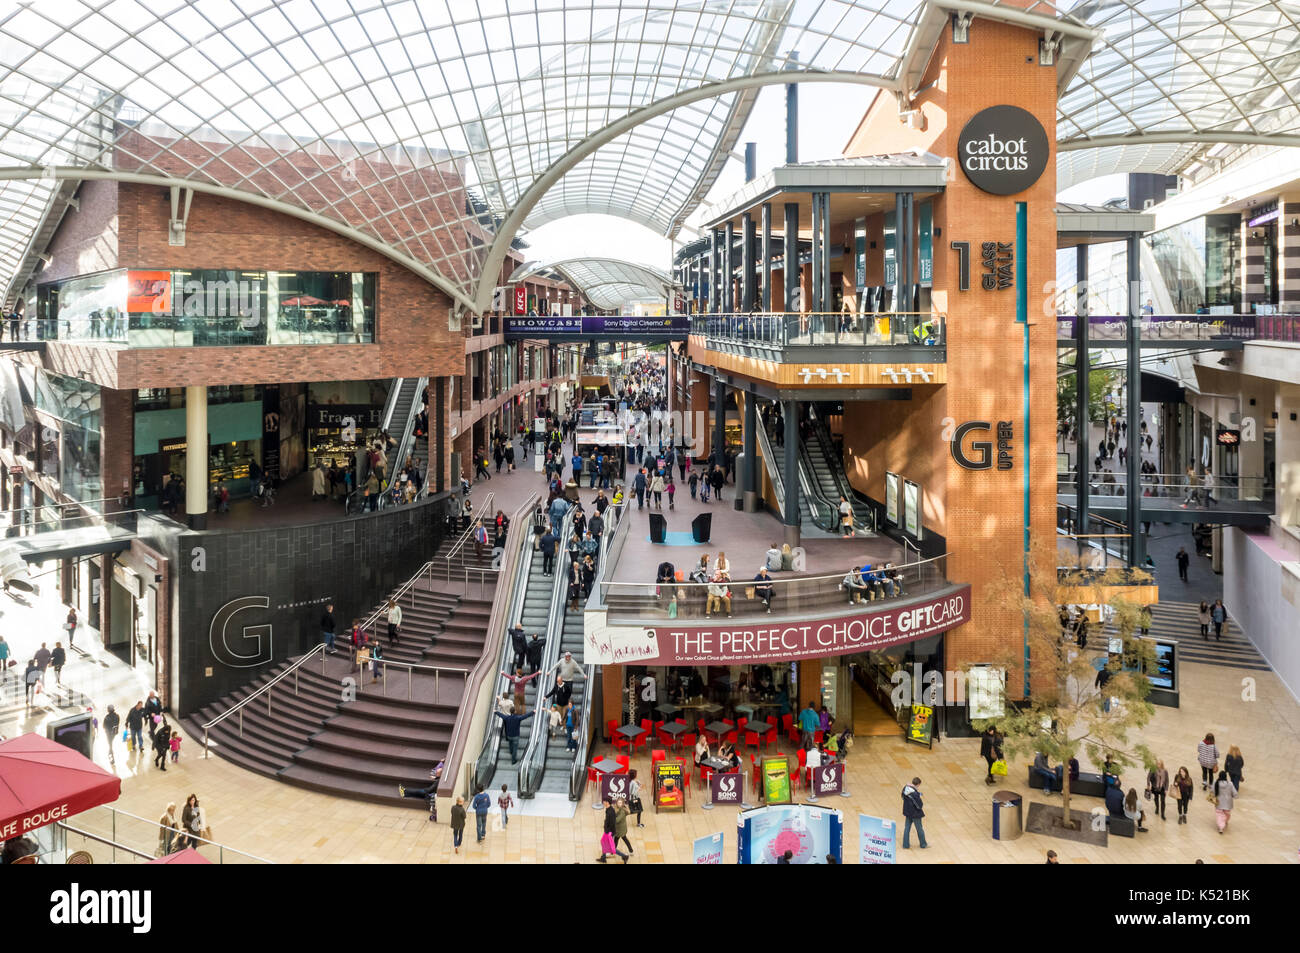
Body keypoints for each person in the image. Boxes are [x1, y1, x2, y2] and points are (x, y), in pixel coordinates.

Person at [597, 798, 629, 863]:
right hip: (608, 831)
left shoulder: (610, 812)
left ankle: (624, 856)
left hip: (609, 832)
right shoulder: (609, 809)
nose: (603, 802)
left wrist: (608, 832)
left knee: (612, 848)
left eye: (604, 801)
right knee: (603, 842)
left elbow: (612, 823)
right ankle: (603, 858)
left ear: (607, 802)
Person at [900, 777, 928, 849]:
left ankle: (905, 845)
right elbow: (919, 805)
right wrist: (918, 796)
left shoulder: (905, 789)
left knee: (907, 828)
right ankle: (923, 844)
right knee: (919, 829)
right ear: (918, 784)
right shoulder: (914, 794)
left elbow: (903, 797)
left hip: (908, 812)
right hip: (915, 814)